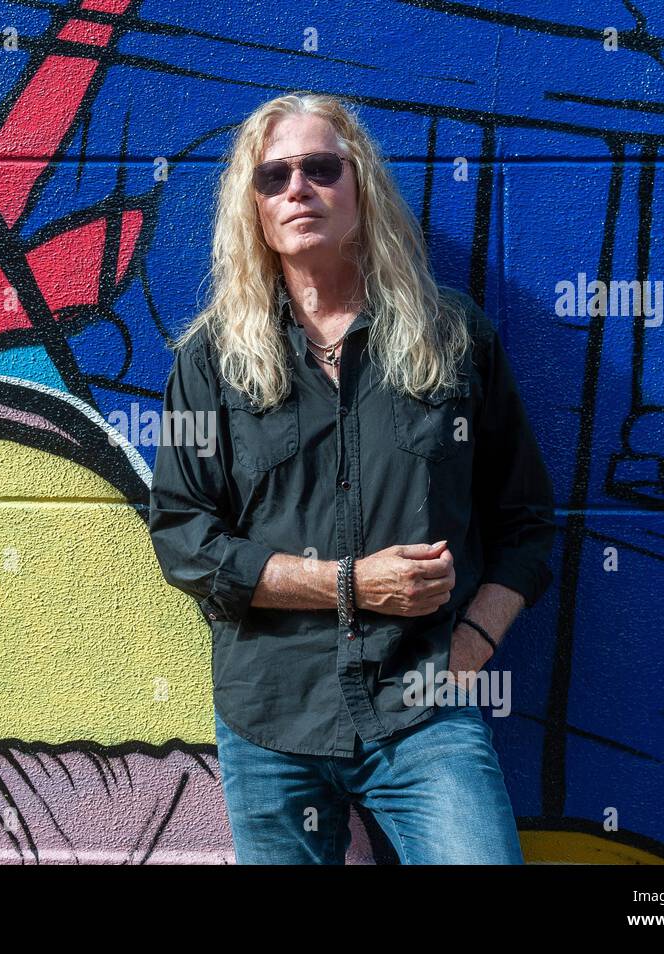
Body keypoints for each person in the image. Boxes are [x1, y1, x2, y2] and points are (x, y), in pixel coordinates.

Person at [146, 92, 558, 864]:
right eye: (272, 177)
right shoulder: (214, 361)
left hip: (422, 705)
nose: (297, 189)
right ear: (255, 209)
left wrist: (470, 642)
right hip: (271, 710)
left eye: (320, 168)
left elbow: (527, 521)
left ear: (360, 185)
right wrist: (350, 585)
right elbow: (183, 537)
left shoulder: (453, 338)